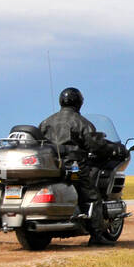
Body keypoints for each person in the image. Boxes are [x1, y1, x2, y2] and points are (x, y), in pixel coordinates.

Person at [39, 87, 124, 226]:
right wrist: (113, 150)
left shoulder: (45, 122)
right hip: (74, 166)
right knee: (92, 196)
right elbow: (95, 146)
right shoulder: (82, 123)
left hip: (52, 166)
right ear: (79, 102)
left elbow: (39, 144)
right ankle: (97, 235)